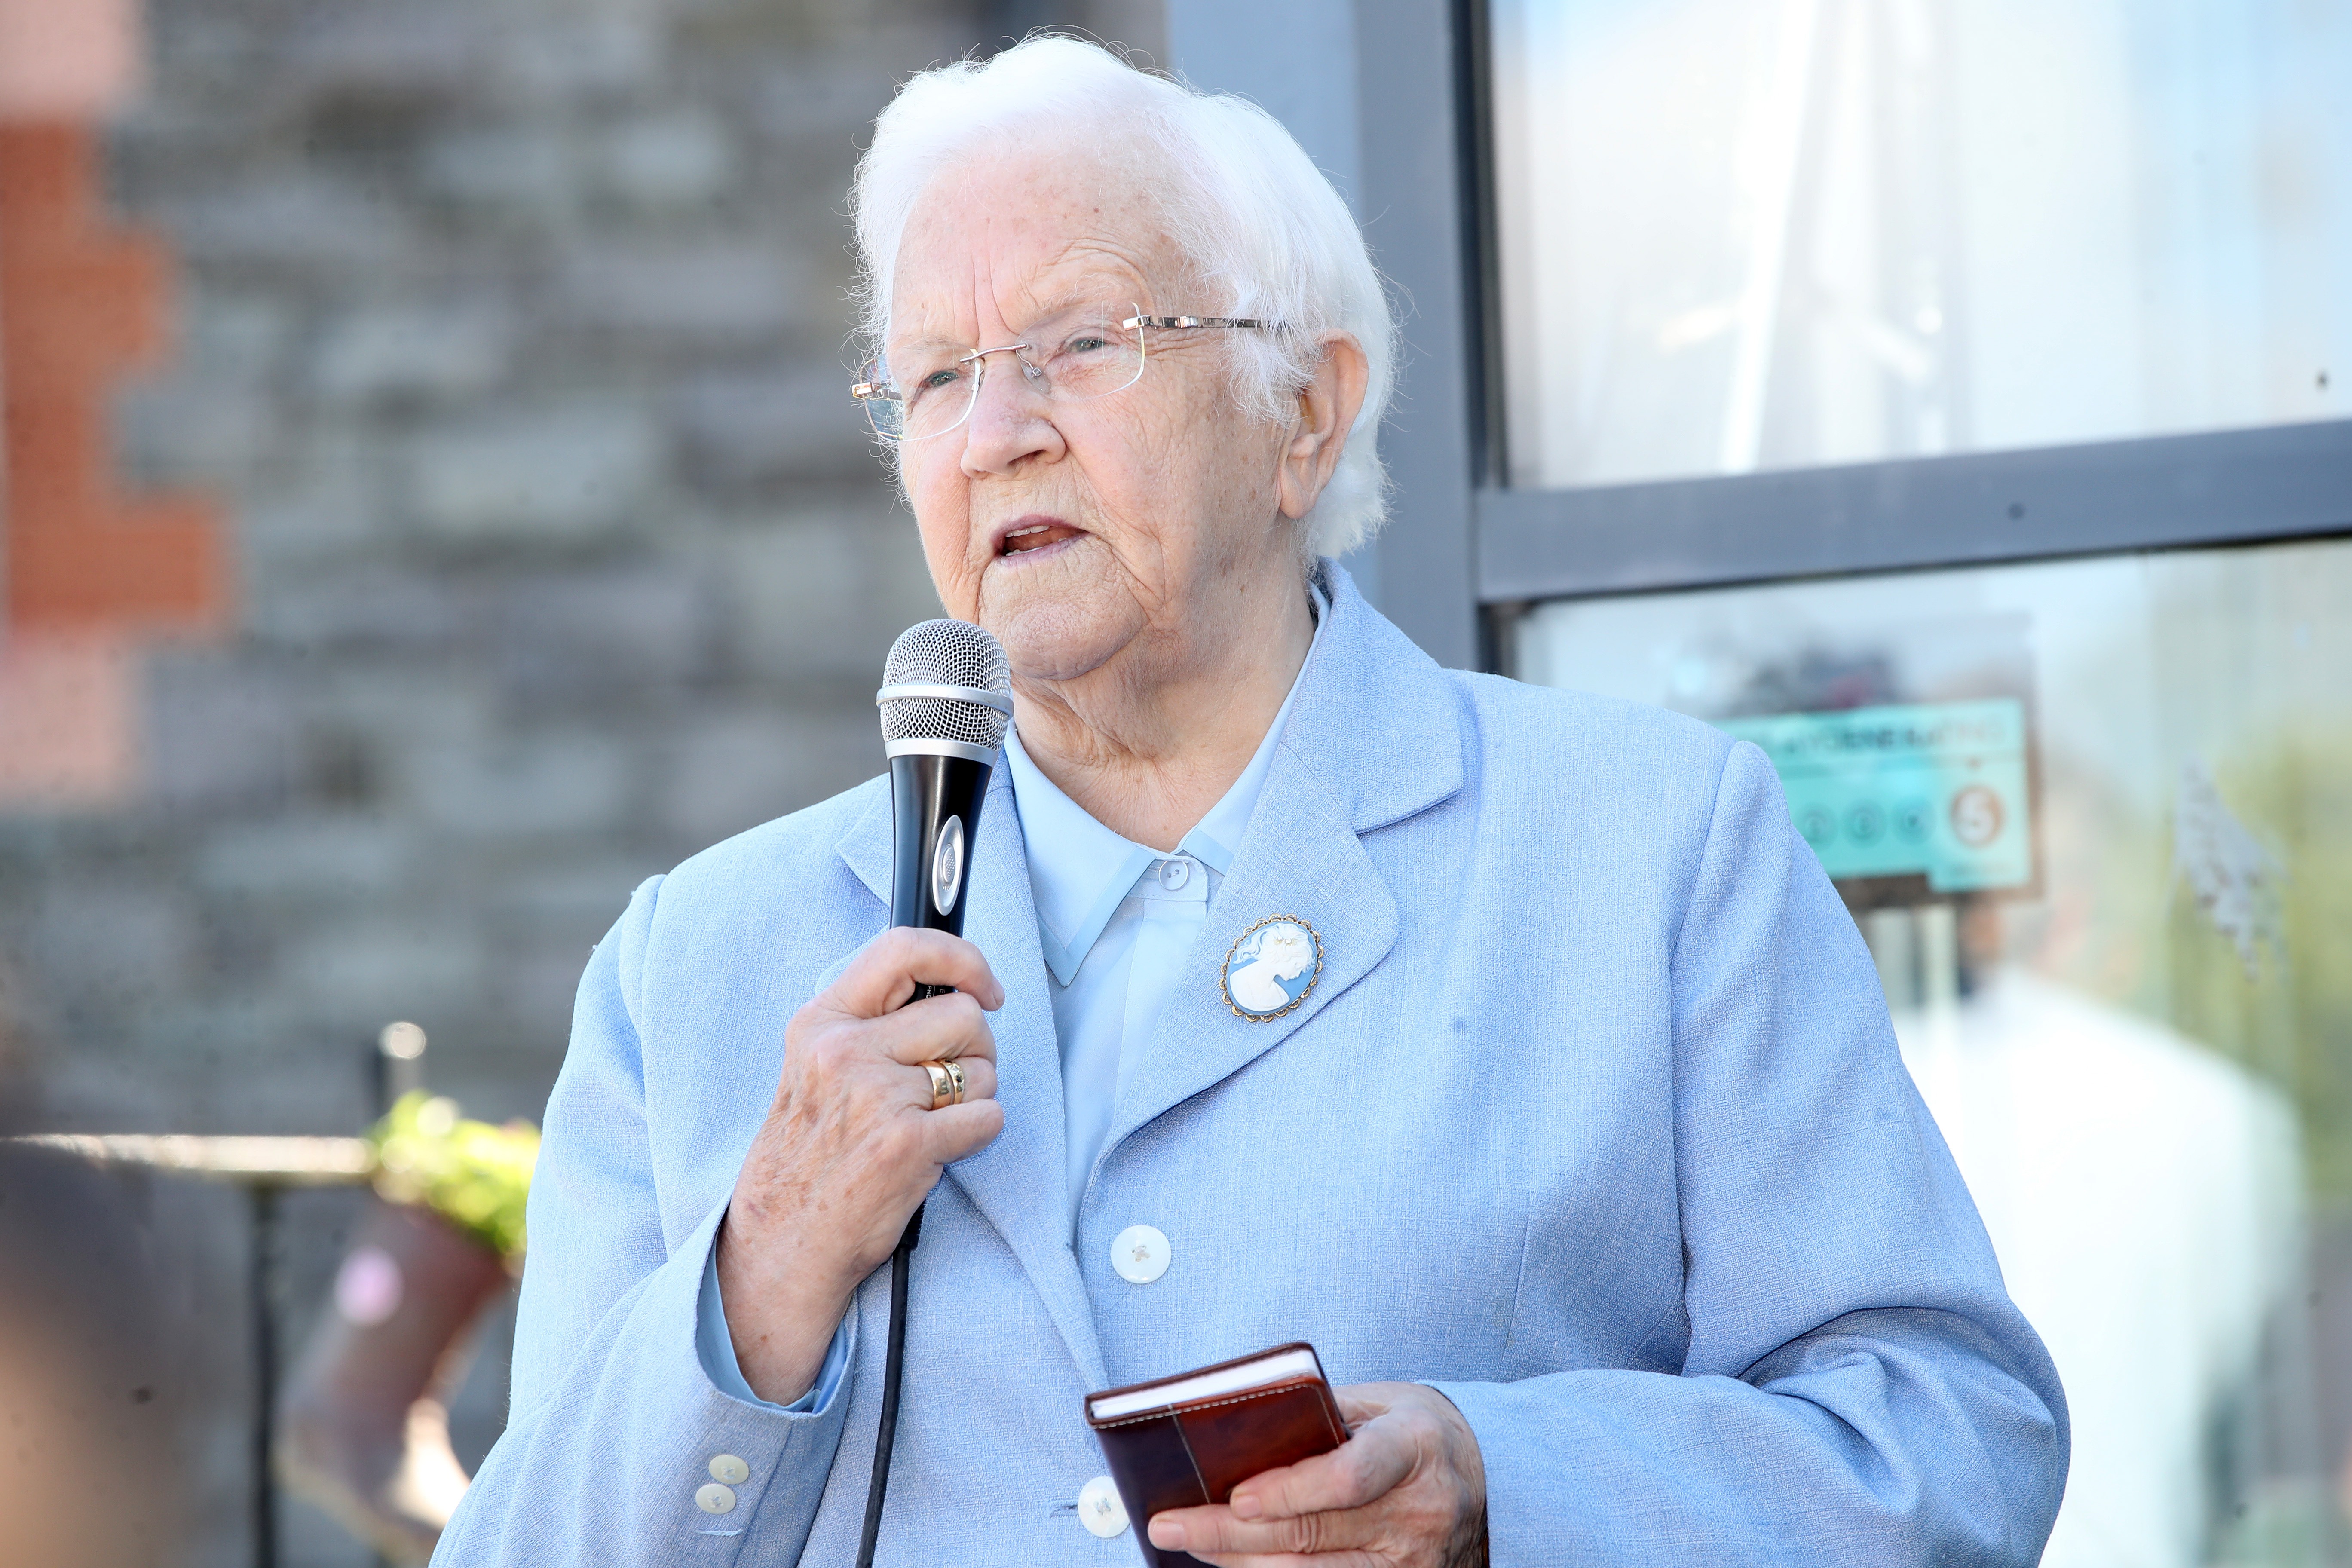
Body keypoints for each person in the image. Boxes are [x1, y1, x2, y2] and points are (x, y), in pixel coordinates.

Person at [432, 37, 2067, 1567]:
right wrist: (761, 1271)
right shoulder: (695, 964)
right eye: (934, 378)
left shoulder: (1649, 849)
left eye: (1082, 340)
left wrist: (1506, 1488)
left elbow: (1953, 1440)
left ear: (1304, 409)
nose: (996, 433)